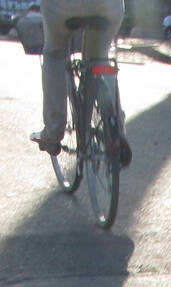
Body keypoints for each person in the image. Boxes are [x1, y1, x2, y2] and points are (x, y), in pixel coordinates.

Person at [31, 0, 132, 167]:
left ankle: (53, 131)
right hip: (107, 6)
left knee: (55, 54)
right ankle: (114, 128)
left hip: (62, 6)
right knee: (99, 58)